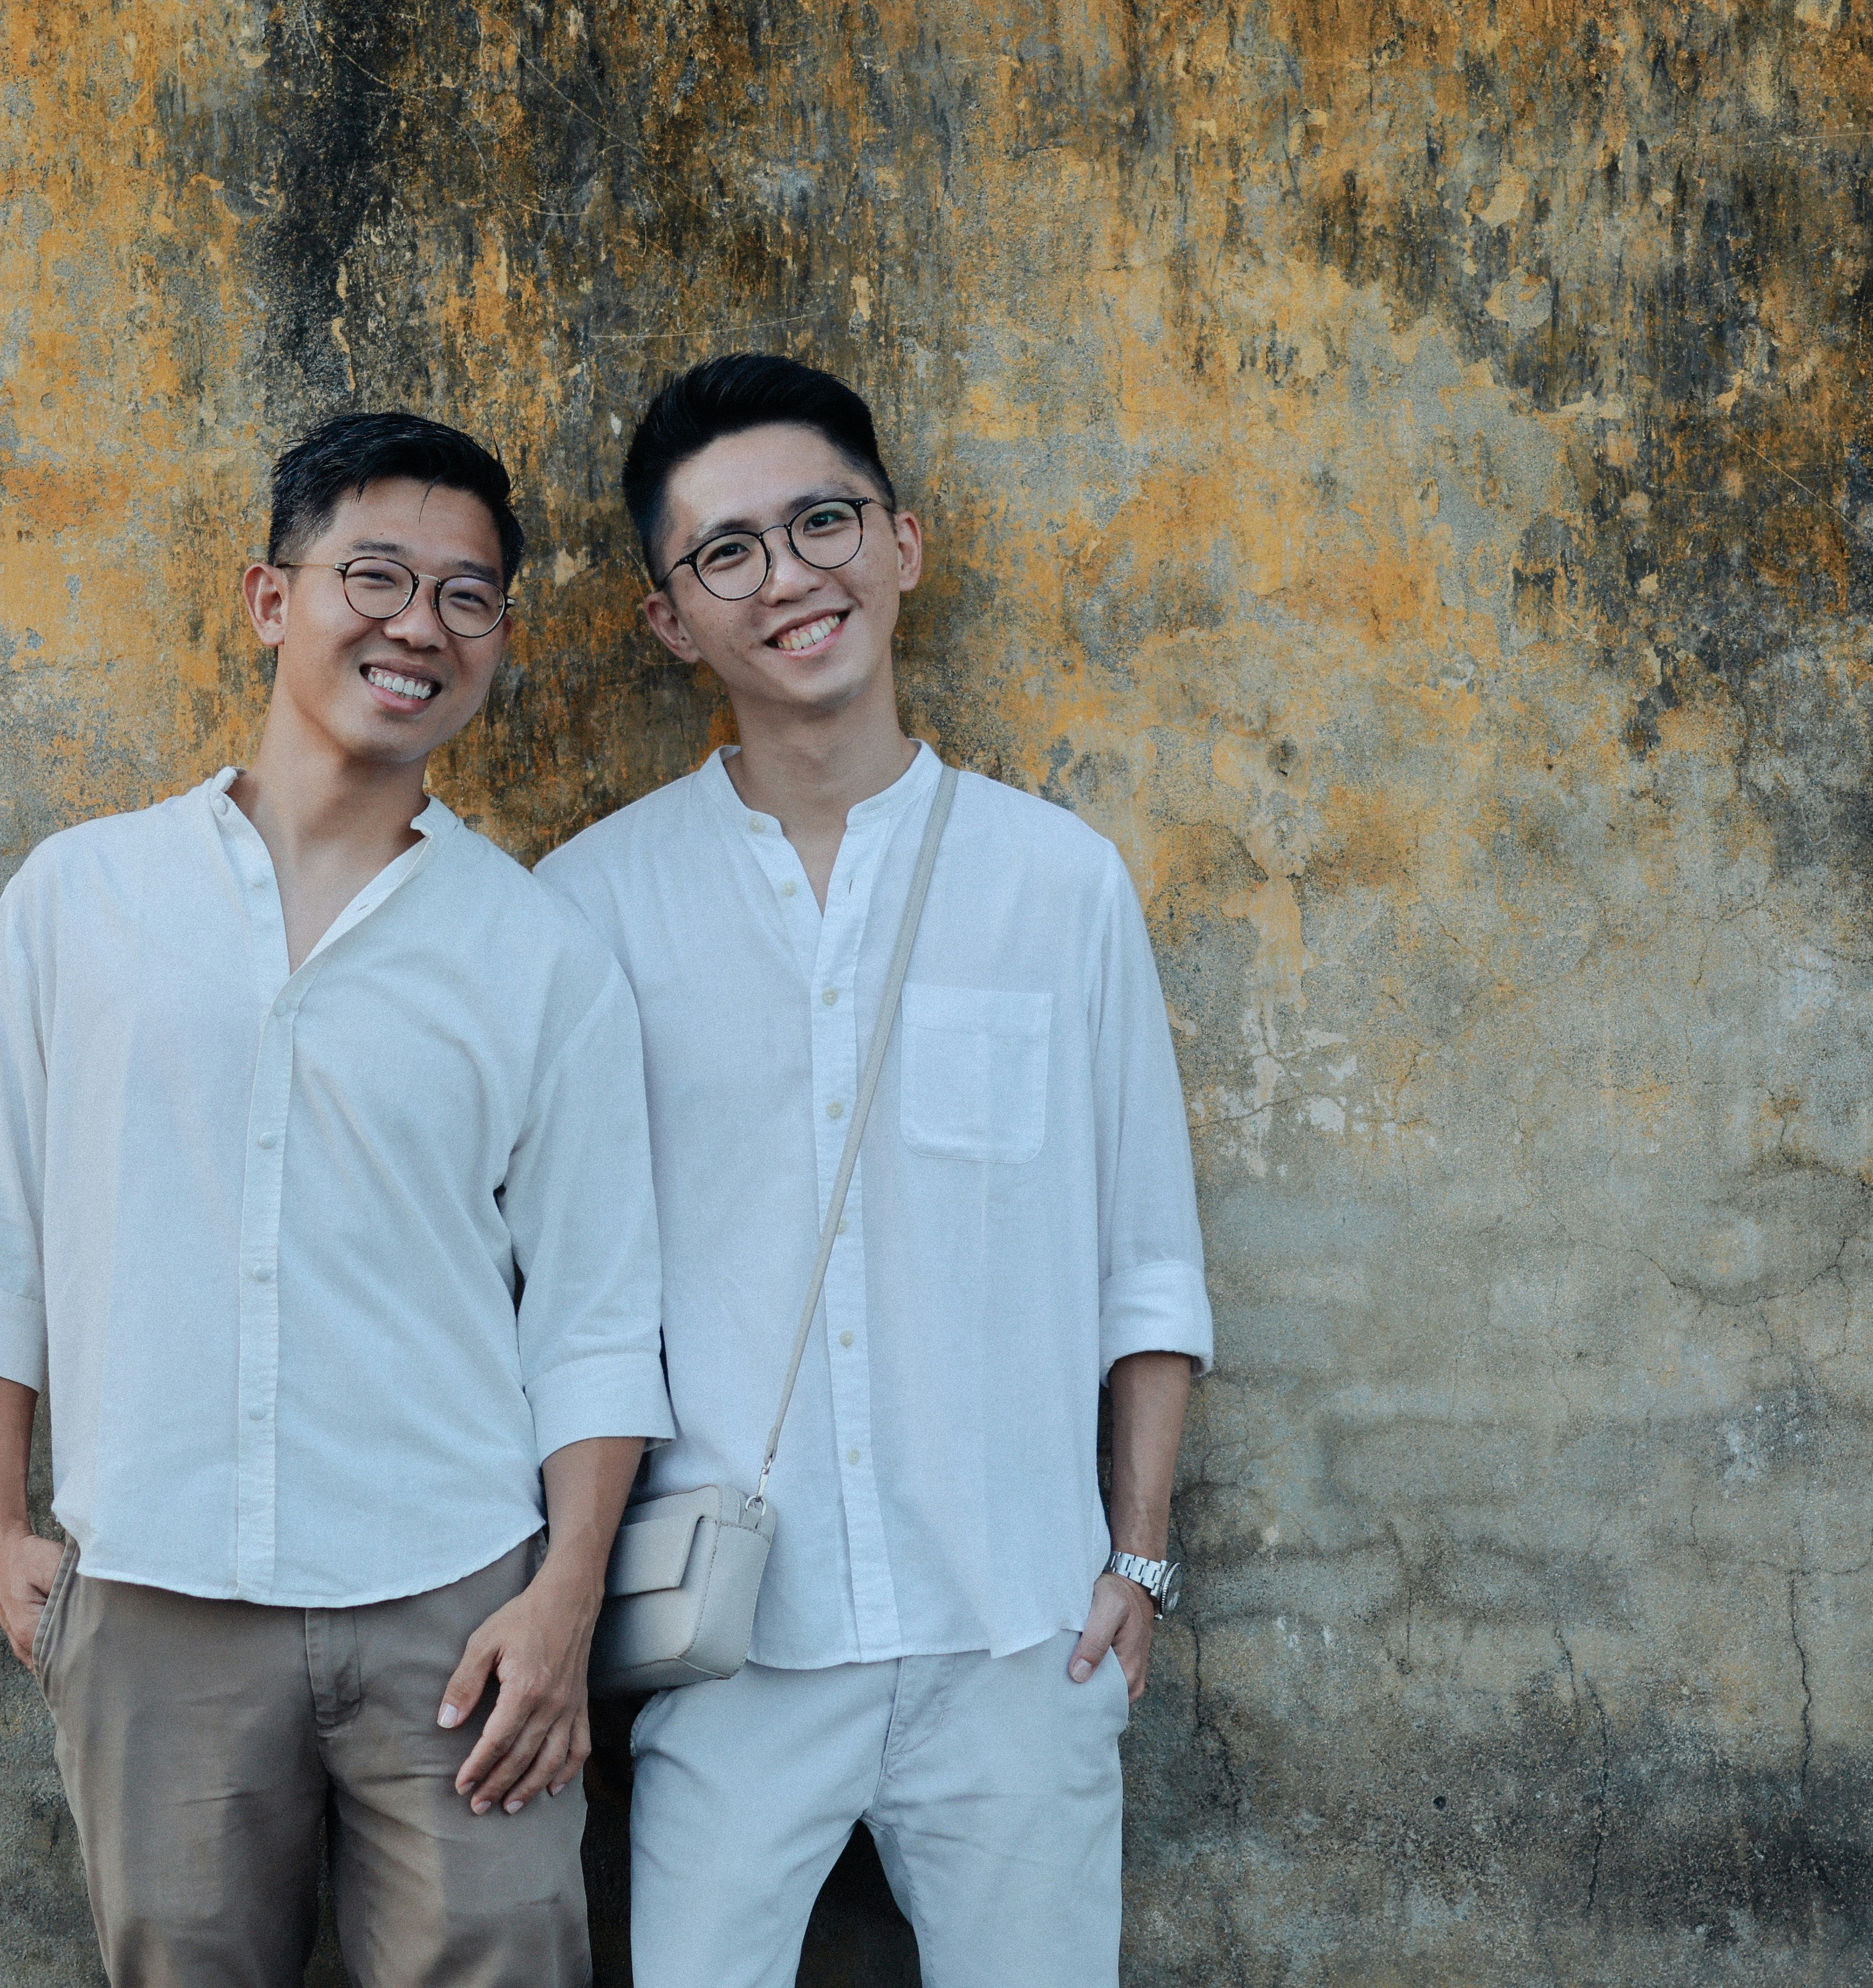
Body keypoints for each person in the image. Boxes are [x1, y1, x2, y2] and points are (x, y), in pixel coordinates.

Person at [0, 410, 672, 1988]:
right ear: (271, 599)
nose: (419, 625)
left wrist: (566, 1597)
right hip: (156, 1590)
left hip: (460, 1600)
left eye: (467, 596)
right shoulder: (81, 900)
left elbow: (598, 1317)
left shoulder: (537, 951)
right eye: (374, 577)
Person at [539, 353, 1213, 1987]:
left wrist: (1135, 1557)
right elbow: (568, 1298)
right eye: (728, 552)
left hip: (1020, 1632)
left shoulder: (1058, 884)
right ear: (670, 620)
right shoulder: (591, 908)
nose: (789, 577)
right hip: (729, 1640)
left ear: (901, 544)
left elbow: (1145, 1257)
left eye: (822, 522)